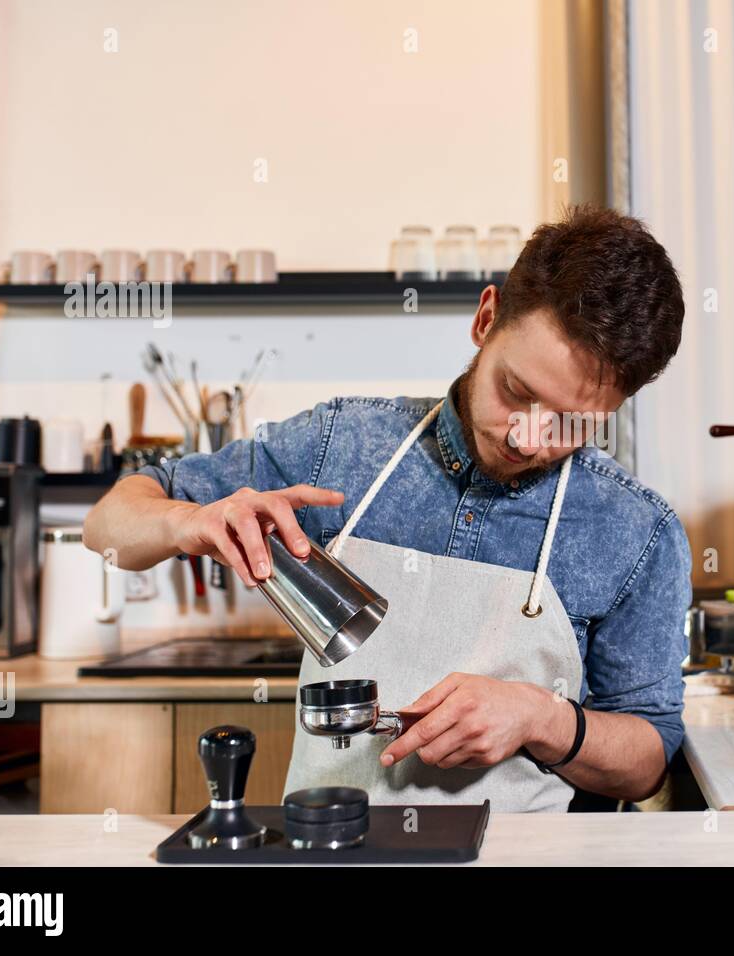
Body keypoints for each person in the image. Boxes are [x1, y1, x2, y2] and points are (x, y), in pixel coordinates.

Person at [83, 205, 691, 812]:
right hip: (332, 852)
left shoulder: (637, 530)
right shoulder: (341, 445)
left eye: (570, 422)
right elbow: (108, 524)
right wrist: (185, 521)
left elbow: (646, 762)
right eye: (517, 392)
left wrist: (543, 719)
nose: (528, 439)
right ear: (486, 319)